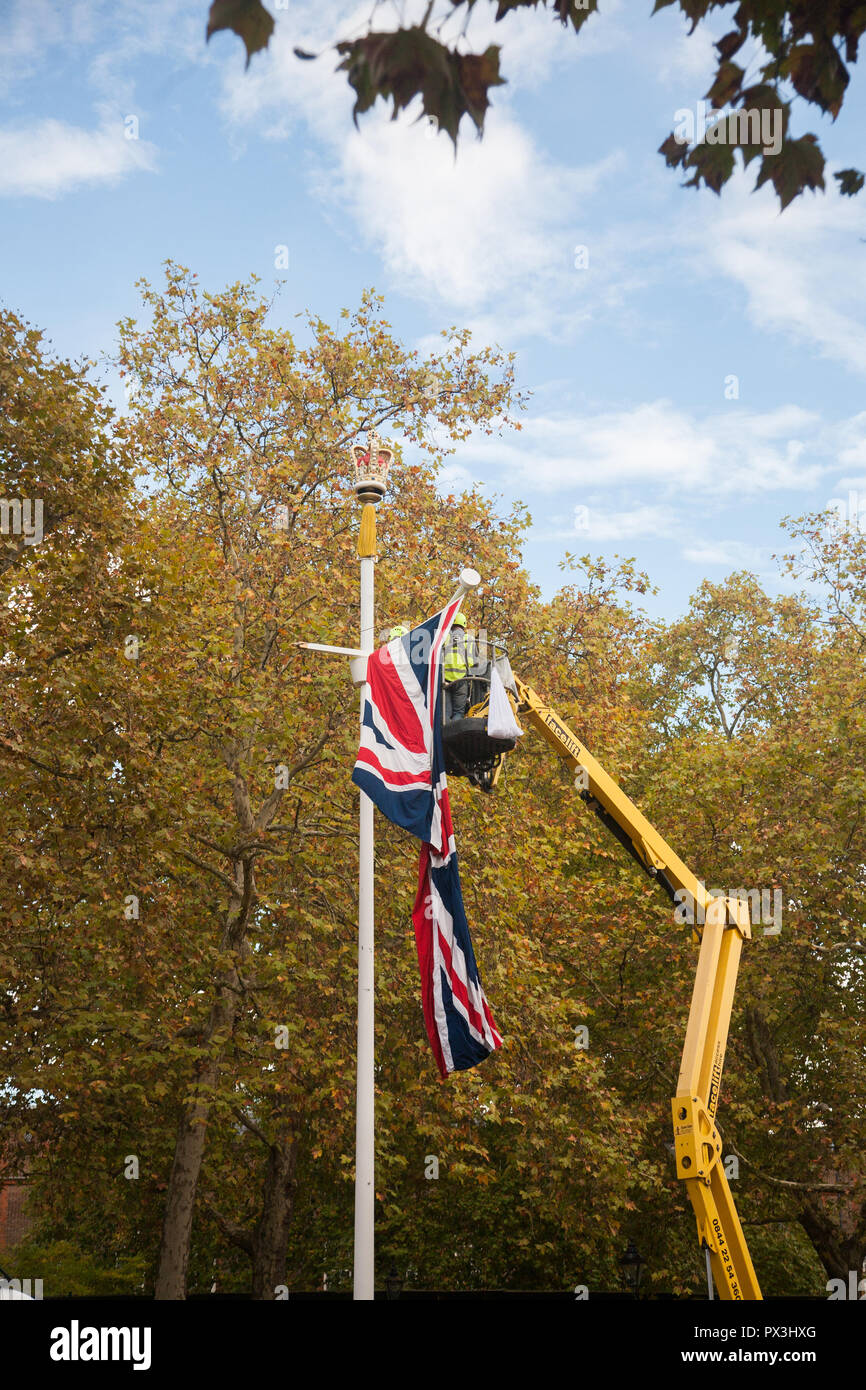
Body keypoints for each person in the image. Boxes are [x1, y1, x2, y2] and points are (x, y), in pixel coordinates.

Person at [443, 611, 476, 721]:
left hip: (445, 680)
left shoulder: (445, 638)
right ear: (464, 625)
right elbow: (472, 662)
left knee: (445, 713)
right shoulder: (469, 639)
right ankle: (455, 736)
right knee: (458, 712)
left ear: (451, 624)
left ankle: (444, 735)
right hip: (462, 680)